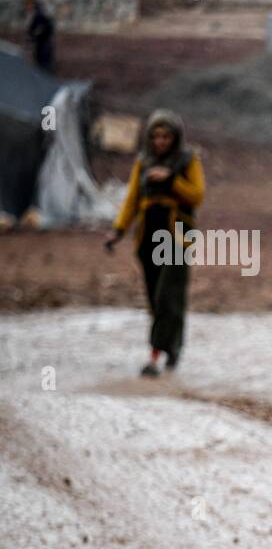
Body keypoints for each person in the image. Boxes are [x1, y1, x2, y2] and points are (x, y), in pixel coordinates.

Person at [105, 110, 205, 377]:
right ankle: (173, 349)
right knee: (154, 296)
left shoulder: (187, 160)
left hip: (178, 237)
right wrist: (118, 231)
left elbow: (197, 195)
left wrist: (172, 179)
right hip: (148, 236)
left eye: (166, 136)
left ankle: (155, 355)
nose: (161, 141)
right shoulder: (143, 162)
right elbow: (132, 200)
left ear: (176, 137)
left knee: (168, 296)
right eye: (156, 136)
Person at [25, 0, 54, 72]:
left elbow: (34, 29)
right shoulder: (41, 16)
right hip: (43, 43)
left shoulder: (39, 16)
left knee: (42, 63)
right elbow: (32, 29)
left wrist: (32, 37)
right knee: (43, 63)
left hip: (43, 43)